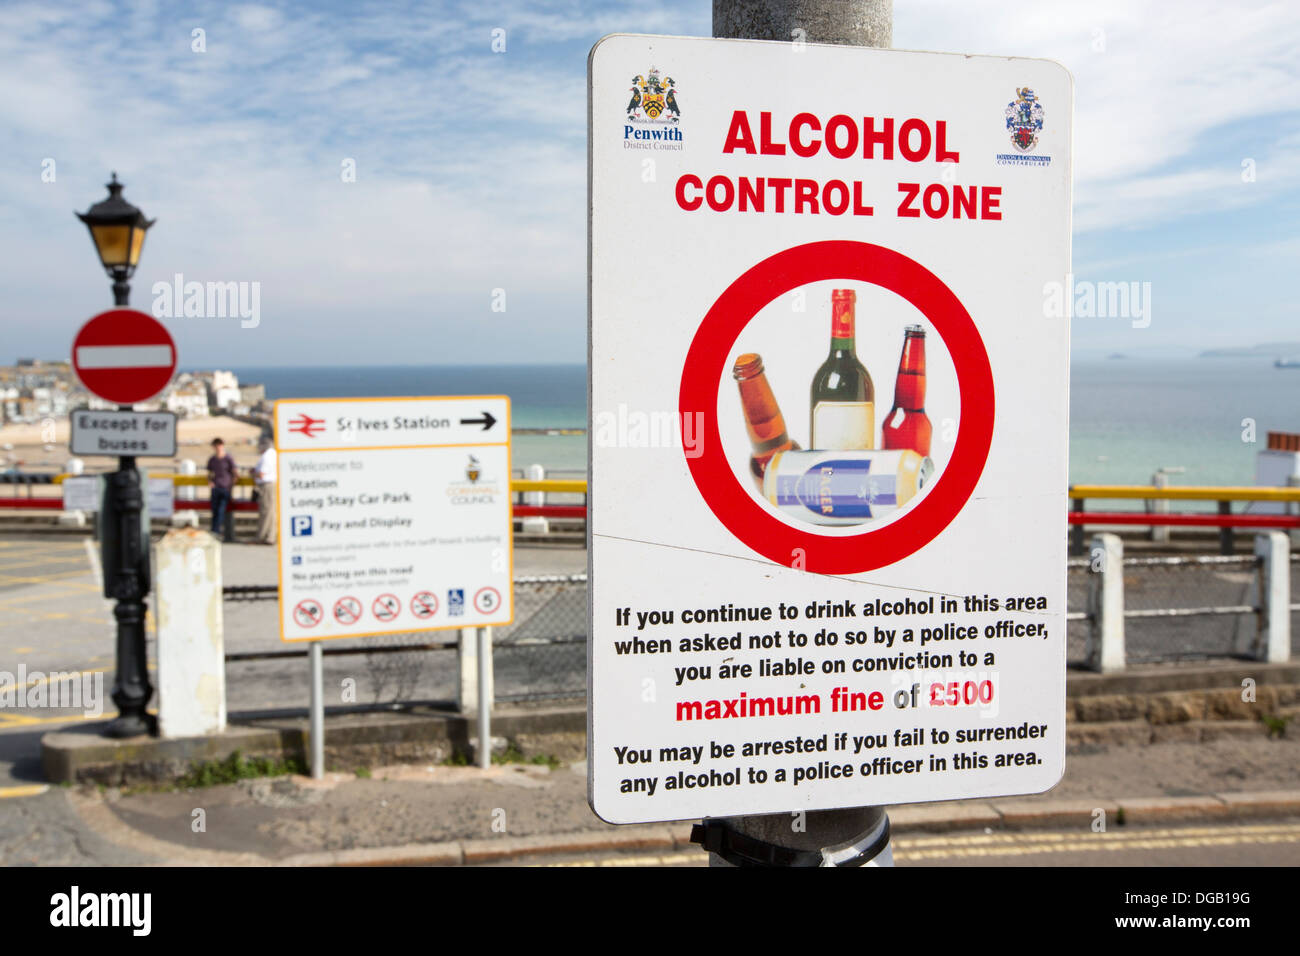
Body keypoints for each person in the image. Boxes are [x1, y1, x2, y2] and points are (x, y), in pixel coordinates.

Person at [206, 438, 237, 541]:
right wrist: (210, 482)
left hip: (225, 488)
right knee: (214, 510)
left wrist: (231, 486)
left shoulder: (228, 458)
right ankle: (215, 531)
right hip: (216, 488)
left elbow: (235, 473)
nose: (217, 447)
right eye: (216, 445)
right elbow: (209, 473)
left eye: (219, 445)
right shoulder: (212, 459)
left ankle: (216, 531)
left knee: (221, 511)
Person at [252, 435, 277, 545]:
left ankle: (261, 536)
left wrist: (253, 473)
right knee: (272, 512)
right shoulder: (274, 454)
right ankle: (270, 536)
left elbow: (261, 474)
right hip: (273, 484)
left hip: (266, 486)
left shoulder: (266, 456)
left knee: (266, 511)